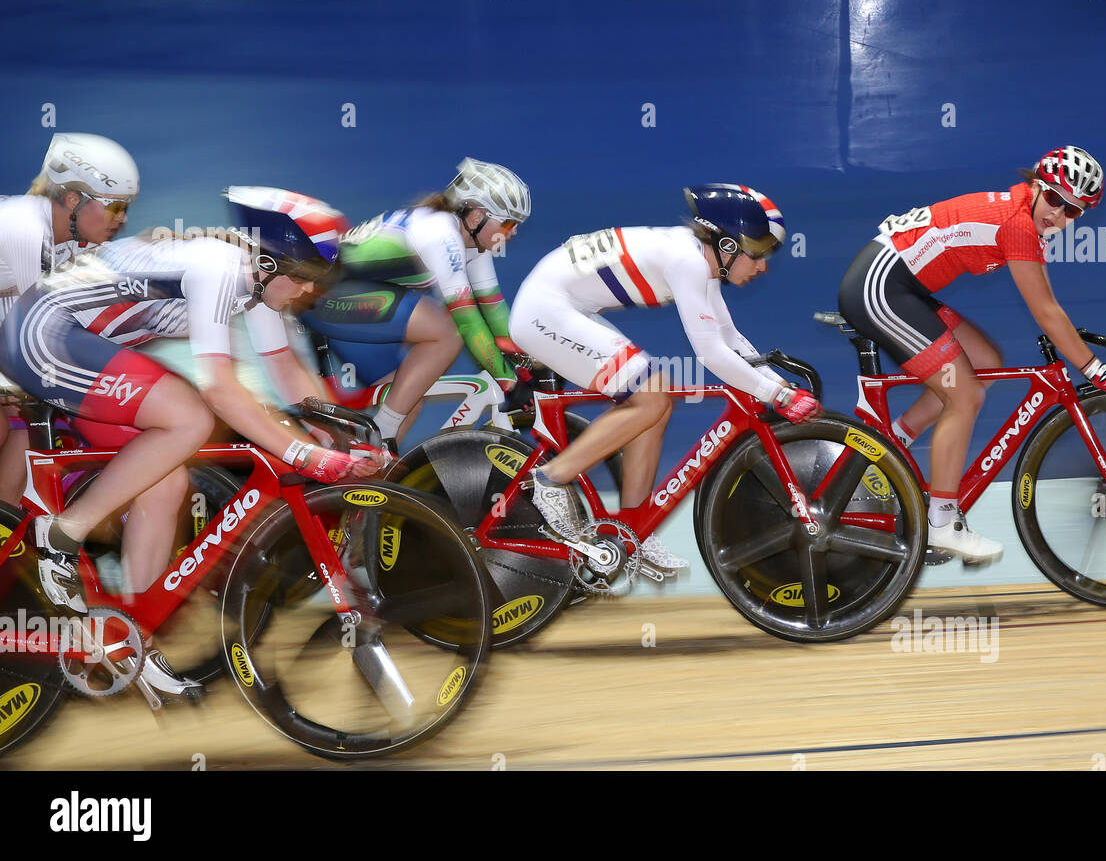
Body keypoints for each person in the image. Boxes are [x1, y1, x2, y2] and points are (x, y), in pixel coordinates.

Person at [0, 185, 380, 697]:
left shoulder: (259, 286)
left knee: (166, 480)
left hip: (78, 346)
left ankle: (132, 638)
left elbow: (288, 377)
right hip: (43, 332)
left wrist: (335, 436)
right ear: (270, 260)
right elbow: (219, 389)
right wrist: (303, 453)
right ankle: (60, 535)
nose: (311, 290)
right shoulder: (220, 266)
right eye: (307, 276)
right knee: (189, 417)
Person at [836, 146, 1106, 564]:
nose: (1060, 216)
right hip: (882, 285)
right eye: (1054, 199)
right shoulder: (1016, 224)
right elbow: (1046, 313)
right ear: (1035, 186)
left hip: (900, 284)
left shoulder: (1022, 218)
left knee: (985, 362)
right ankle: (942, 523)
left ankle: (892, 442)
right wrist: (1094, 367)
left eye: (1074, 211)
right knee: (964, 395)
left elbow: (1049, 304)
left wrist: (1081, 354)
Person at [509, 184, 821, 571]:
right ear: (726, 245)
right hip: (546, 312)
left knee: (656, 404)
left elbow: (730, 337)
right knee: (652, 397)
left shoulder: (700, 260)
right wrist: (778, 395)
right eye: (757, 254)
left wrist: (778, 384)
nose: (763, 267)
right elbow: (711, 354)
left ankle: (631, 531)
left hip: (562, 306)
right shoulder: (687, 261)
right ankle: (551, 479)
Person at [299, 158, 531, 446]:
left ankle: (363, 470)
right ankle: (379, 439)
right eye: (509, 223)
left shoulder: (474, 245)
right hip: (324, 296)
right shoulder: (440, 233)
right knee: (448, 333)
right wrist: (508, 381)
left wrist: (527, 361)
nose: (514, 232)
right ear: (475, 216)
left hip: (351, 301)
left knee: (406, 399)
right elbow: (468, 321)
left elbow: (495, 312)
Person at [0, 133, 139, 503]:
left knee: (24, 423)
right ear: (73, 199)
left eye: (126, 207)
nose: (122, 219)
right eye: (114, 207)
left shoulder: (72, 240)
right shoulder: (23, 225)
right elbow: (36, 328)